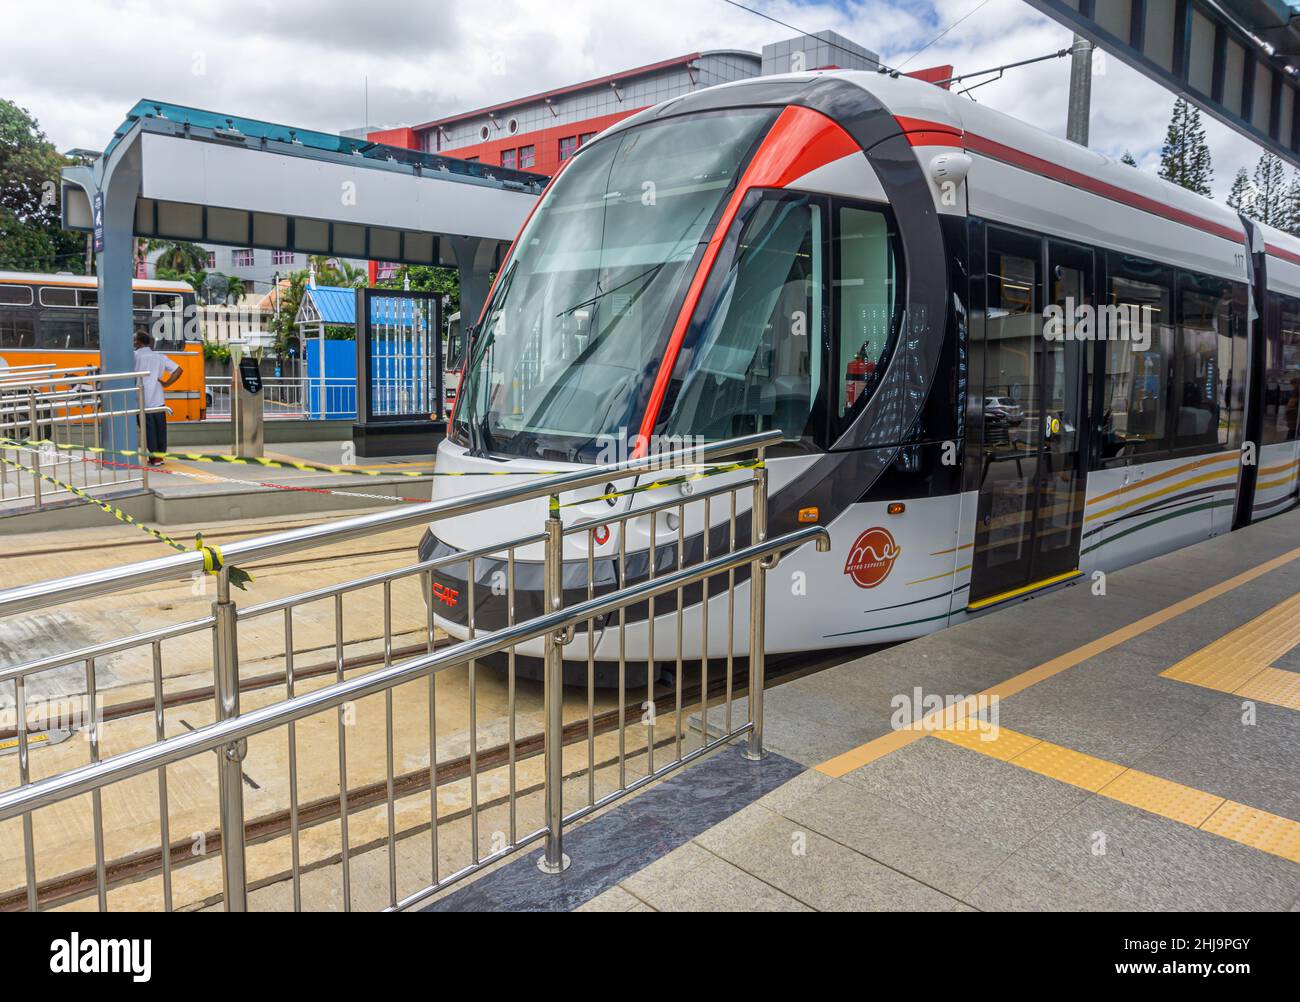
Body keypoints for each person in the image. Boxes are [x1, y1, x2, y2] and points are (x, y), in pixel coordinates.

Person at [133, 330, 181, 464]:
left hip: (141, 399)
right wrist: (166, 383)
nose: (133, 342)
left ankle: (154, 458)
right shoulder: (159, 356)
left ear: (139, 341)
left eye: (134, 340)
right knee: (160, 428)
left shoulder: (135, 356)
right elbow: (178, 370)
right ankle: (160, 456)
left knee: (148, 430)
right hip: (158, 399)